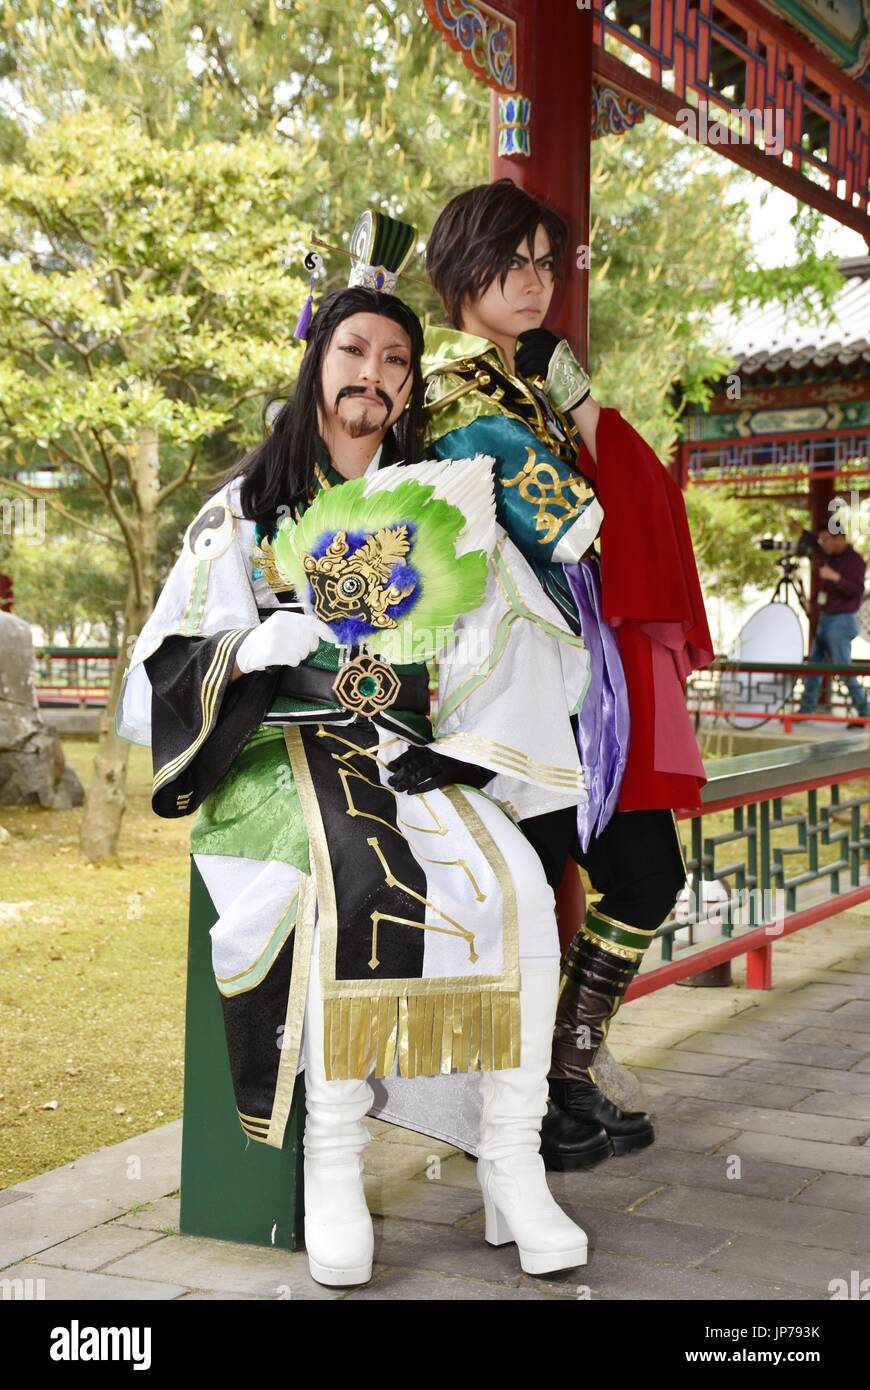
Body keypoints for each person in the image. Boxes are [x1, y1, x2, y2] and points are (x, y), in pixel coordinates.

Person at [115, 247, 602, 1285]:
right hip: (277, 751)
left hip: (407, 753)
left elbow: (505, 641)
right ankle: (335, 1160)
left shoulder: (441, 502)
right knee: (350, 883)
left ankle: (511, 1165)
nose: (371, 374)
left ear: (408, 387)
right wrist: (246, 653)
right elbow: (156, 669)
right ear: (317, 363)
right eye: (353, 350)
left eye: (393, 360)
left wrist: (466, 753)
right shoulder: (245, 508)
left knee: (518, 886)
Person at [422, 178, 714, 1171]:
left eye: (549, 261)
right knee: (563, 887)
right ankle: (531, 1099)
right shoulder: (463, 394)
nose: (538, 279)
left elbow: (627, 512)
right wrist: (583, 405)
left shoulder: (519, 388)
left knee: (635, 874)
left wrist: (574, 401)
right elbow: (587, 526)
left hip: (577, 688)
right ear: (463, 266)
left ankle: (566, 1069)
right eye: (516, 258)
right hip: (512, 696)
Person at [797, 526, 868, 724]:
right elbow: (815, 544)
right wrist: (803, 532)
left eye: (827, 540)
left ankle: (864, 712)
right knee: (814, 667)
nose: (824, 544)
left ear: (839, 538)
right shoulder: (829, 555)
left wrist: (835, 577)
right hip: (825, 617)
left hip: (842, 620)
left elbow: (857, 590)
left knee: (844, 669)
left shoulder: (854, 560)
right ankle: (805, 710)